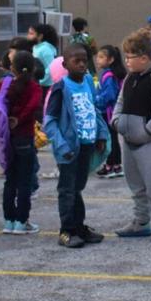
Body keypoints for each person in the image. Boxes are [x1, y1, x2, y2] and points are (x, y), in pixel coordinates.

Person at [112, 31, 151, 242]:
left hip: (150, 142)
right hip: (128, 140)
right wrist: (116, 120)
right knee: (136, 185)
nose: (127, 61)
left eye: (130, 57)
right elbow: (120, 102)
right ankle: (141, 222)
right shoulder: (130, 78)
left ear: (144, 58)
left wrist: (149, 130)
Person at [44, 45, 109, 248]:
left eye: (84, 60)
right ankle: (67, 231)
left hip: (86, 145)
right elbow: (50, 121)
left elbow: (94, 109)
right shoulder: (61, 87)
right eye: (76, 61)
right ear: (65, 65)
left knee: (77, 188)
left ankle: (79, 227)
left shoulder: (89, 81)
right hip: (69, 149)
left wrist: (100, 134)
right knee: (67, 190)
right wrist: (62, 146)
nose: (81, 64)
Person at [0, 51, 44, 234]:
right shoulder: (34, 87)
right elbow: (33, 106)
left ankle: (8, 221)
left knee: (10, 181)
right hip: (25, 138)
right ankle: (22, 222)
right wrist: (20, 118)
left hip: (7, 138)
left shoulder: (5, 84)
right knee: (25, 182)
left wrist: (3, 113)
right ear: (33, 68)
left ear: (11, 67)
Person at [93, 45, 125, 179]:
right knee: (112, 139)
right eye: (97, 57)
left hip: (109, 113)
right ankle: (115, 165)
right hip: (110, 112)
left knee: (110, 140)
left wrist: (96, 99)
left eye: (101, 57)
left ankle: (112, 165)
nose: (97, 60)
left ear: (110, 59)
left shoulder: (108, 76)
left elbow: (110, 95)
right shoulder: (108, 74)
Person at [28, 23, 59, 88]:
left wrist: (40, 81)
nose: (28, 36)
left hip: (46, 86)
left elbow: (50, 68)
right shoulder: (36, 47)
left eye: (31, 34)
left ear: (40, 36)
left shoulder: (45, 49)